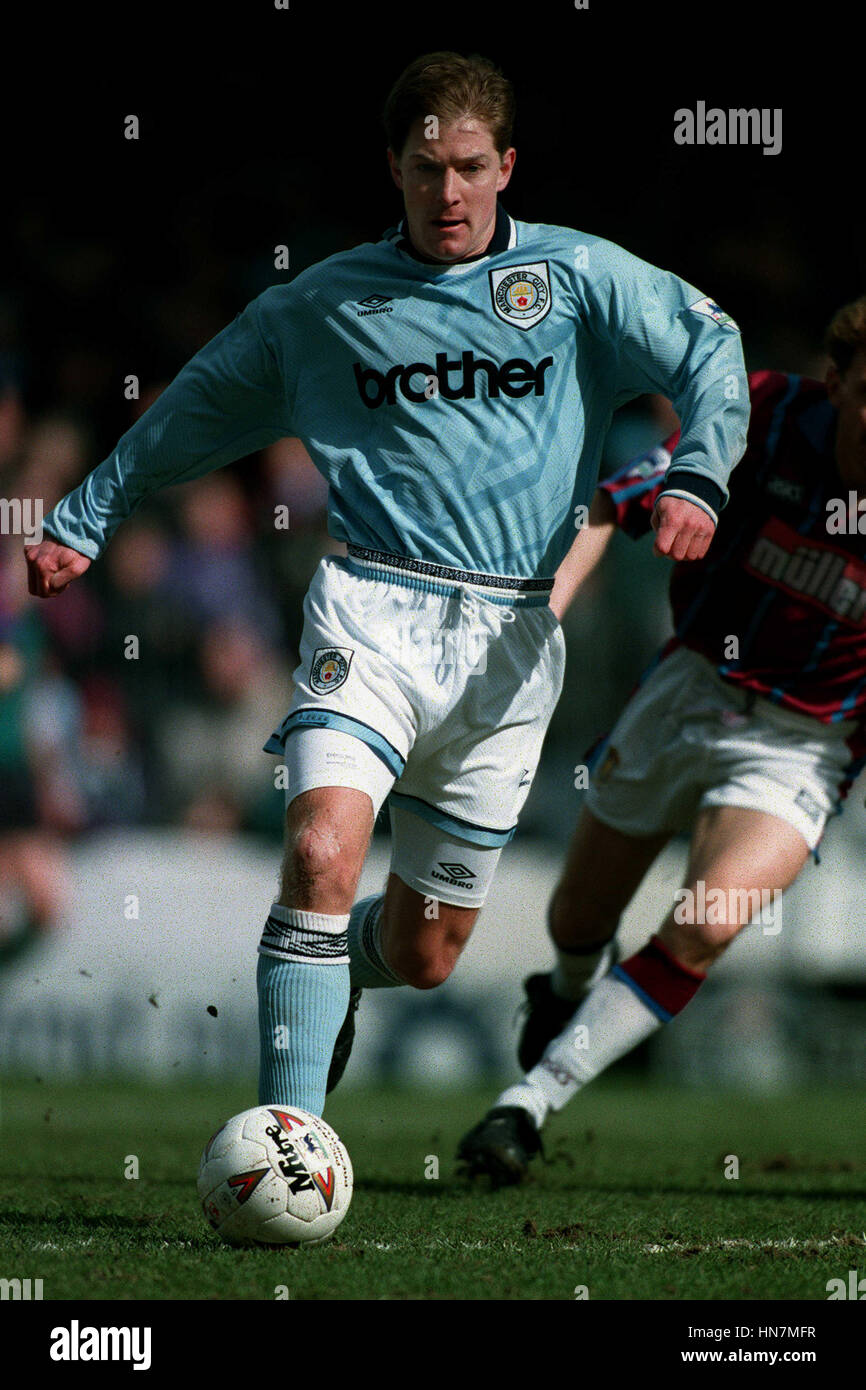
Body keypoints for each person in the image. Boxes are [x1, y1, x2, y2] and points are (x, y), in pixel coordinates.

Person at [23, 51, 748, 1122]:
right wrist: (86, 514)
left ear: (506, 164)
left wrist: (698, 470)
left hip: (510, 639)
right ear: (392, 170)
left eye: (466, 167)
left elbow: (709, 343)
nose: (445, 193)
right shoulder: (324, 305)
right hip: (372, 607)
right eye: (422, 169)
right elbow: (200, 405)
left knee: (424, 950)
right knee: (318, 847)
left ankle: (343, 975)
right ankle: (286, 1140)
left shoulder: (576, 281)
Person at [457, 295, 866, 1185]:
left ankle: (527, 1105)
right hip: (690, 687)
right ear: (836, 384)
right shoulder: (760, 415)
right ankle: (565, 990)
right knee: (578, 919)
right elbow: (612, 502)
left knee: (706, 925)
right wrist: (544, 615)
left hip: (804, 743)